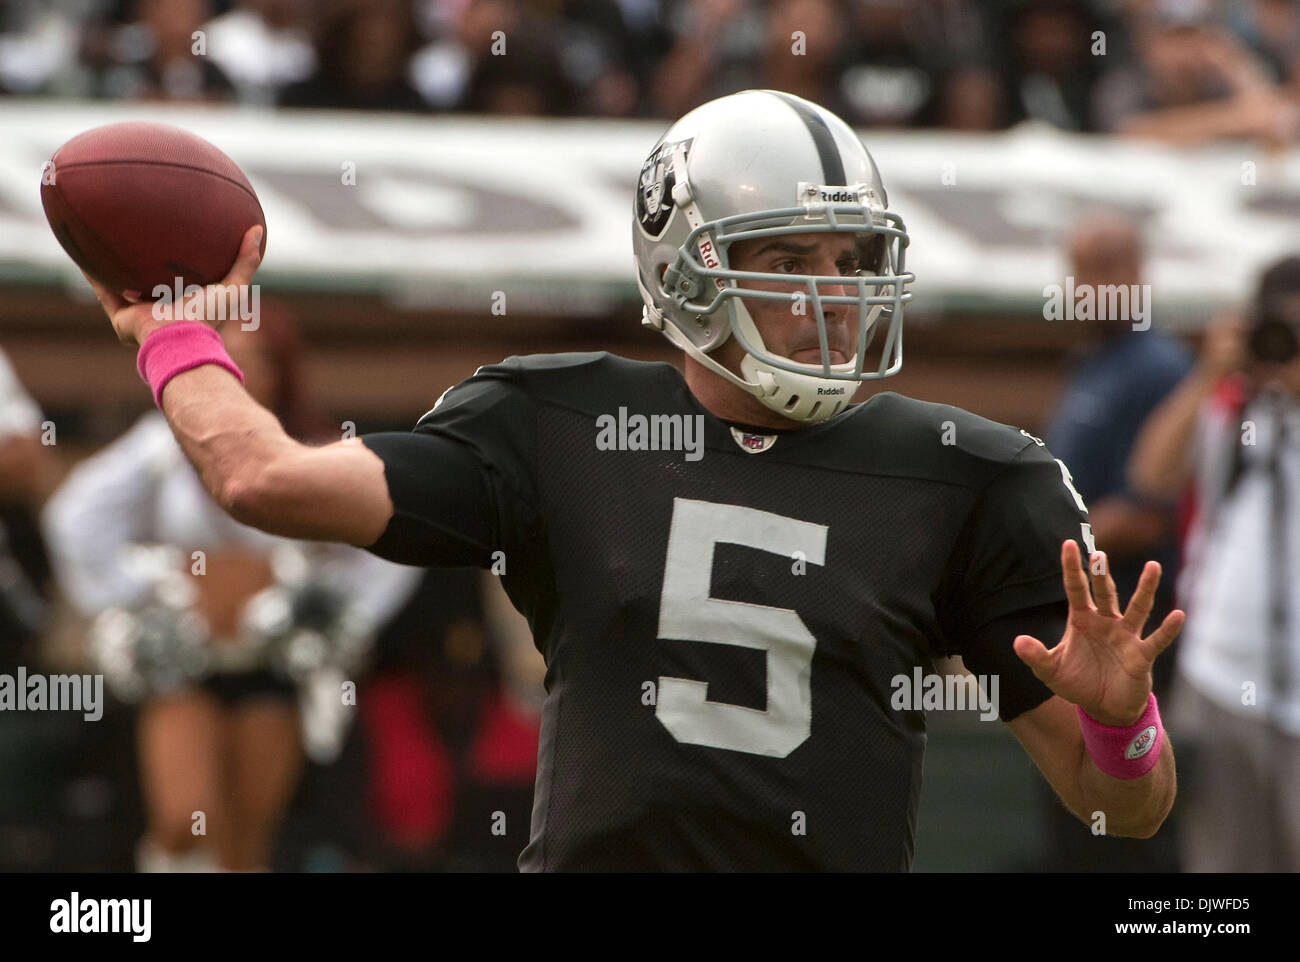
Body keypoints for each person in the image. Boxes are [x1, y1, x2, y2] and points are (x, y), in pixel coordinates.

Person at [82, 90, 1183, 871]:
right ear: (683, 266)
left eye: (849, 262)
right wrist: (180, 337)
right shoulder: (555, 423)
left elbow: (1119, 812)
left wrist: (1120, 725)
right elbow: (261, 477)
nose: (832, 296)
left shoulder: (973, 475)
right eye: (788, 259)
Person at [42, 310, 420, 872]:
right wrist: (148, 585)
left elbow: (395, 536)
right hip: (185, 661)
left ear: (282, 372)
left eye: (260, 357)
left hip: (269, 666)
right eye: (231, 355)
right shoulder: (162, 445)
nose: (244, 368)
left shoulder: (312, 450)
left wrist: (332, 609)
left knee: (247, 840)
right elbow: (75, 515)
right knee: (185, 819)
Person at [1129, 256, 1300, 872]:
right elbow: (1151, 474)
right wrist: (1212, 369)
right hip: (1222, 680)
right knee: (1223, 875)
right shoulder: (1230, 407)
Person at [1036, 213, 1193, 870]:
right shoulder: (1089, 364)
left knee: (1135, 825)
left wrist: (1039, 546)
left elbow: (1148, 511)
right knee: (1071, 814)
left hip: (1136, 633)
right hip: (1078, 632)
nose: (1091, 285)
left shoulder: (1159, 367)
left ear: (1137, 274)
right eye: (1081, 269)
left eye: (1107, 267)